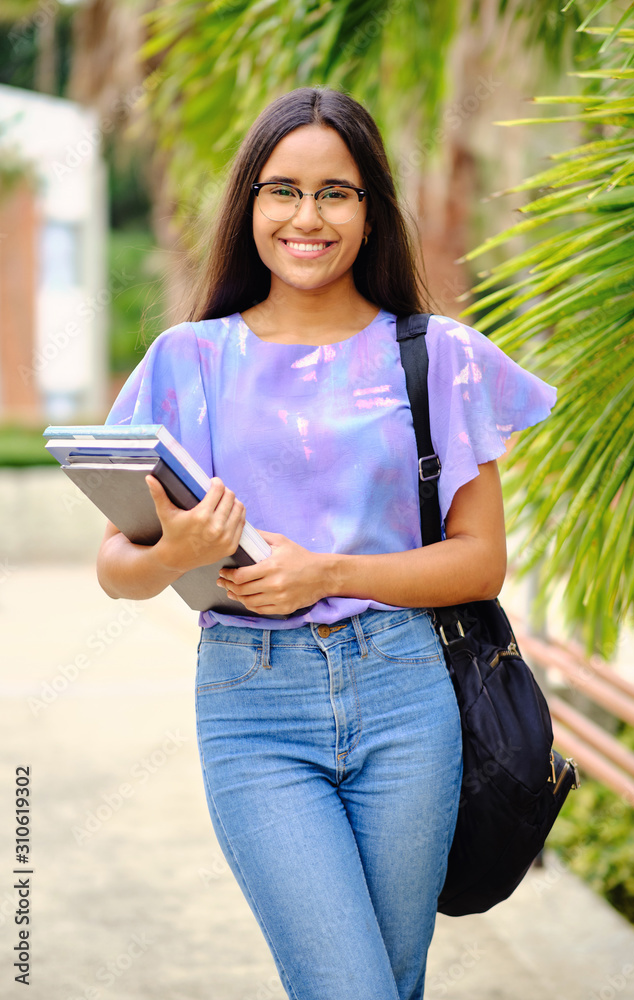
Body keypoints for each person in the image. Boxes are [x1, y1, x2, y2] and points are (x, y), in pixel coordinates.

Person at [96, 86, 555, 1000]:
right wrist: (176, 552)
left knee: (392, 982)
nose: (307, 217)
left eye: (335, 192)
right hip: (253, 707)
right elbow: (117, 568)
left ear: (371, 207)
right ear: (250, 206)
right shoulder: (188, 361)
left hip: (406, 699)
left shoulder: (437, 358)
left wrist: (330, 572)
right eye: (282, 190)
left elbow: (480, 559)